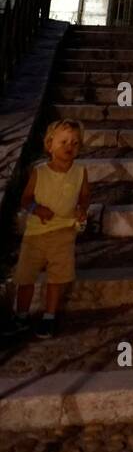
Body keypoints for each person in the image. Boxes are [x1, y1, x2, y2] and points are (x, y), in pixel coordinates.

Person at [2, 119, 90, 339]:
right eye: (63, 142)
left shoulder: (80, 172)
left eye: (75, 143)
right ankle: (21, 315)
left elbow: (85, 196)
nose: (69, 147)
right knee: (25, 276)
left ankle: (49, 316)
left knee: (56, 278)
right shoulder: (39, 172)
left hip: (64, 233)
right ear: (49, 145)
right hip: (35, 234)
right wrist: (36, 208)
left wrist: (82, 209)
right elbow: (25, 199)